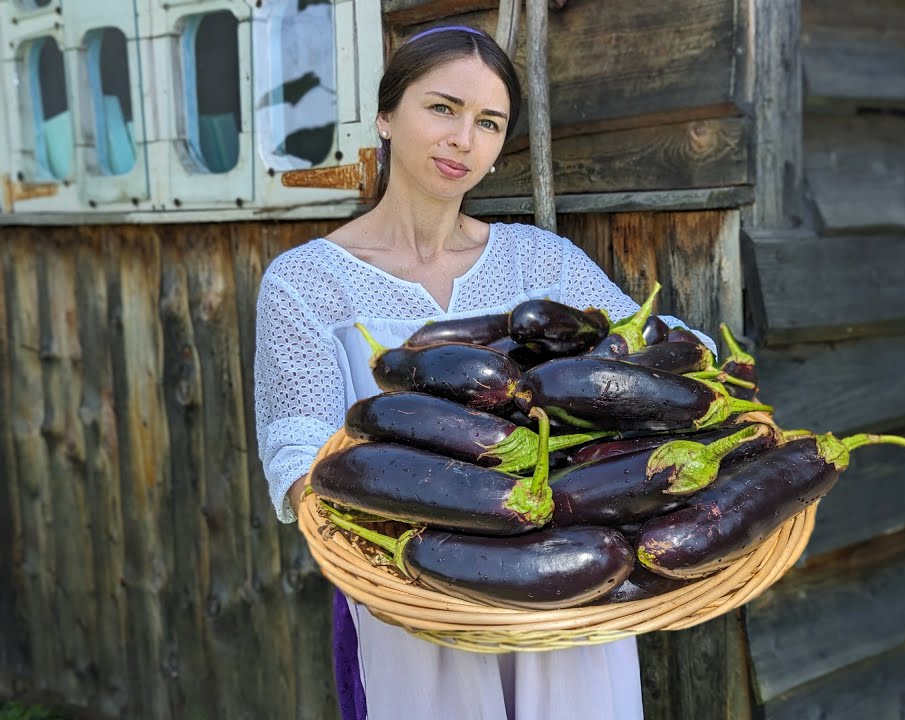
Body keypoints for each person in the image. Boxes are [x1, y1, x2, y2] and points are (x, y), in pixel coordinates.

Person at [253, 26, 713, 720]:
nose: (462, 138)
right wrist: (359, 522)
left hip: (565, 585)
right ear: (385, 116)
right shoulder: (307, 283)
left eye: (488, 122)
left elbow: (660, 348)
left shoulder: (540, 263)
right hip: (415, 595)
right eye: (442, 108)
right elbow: (297, 444)